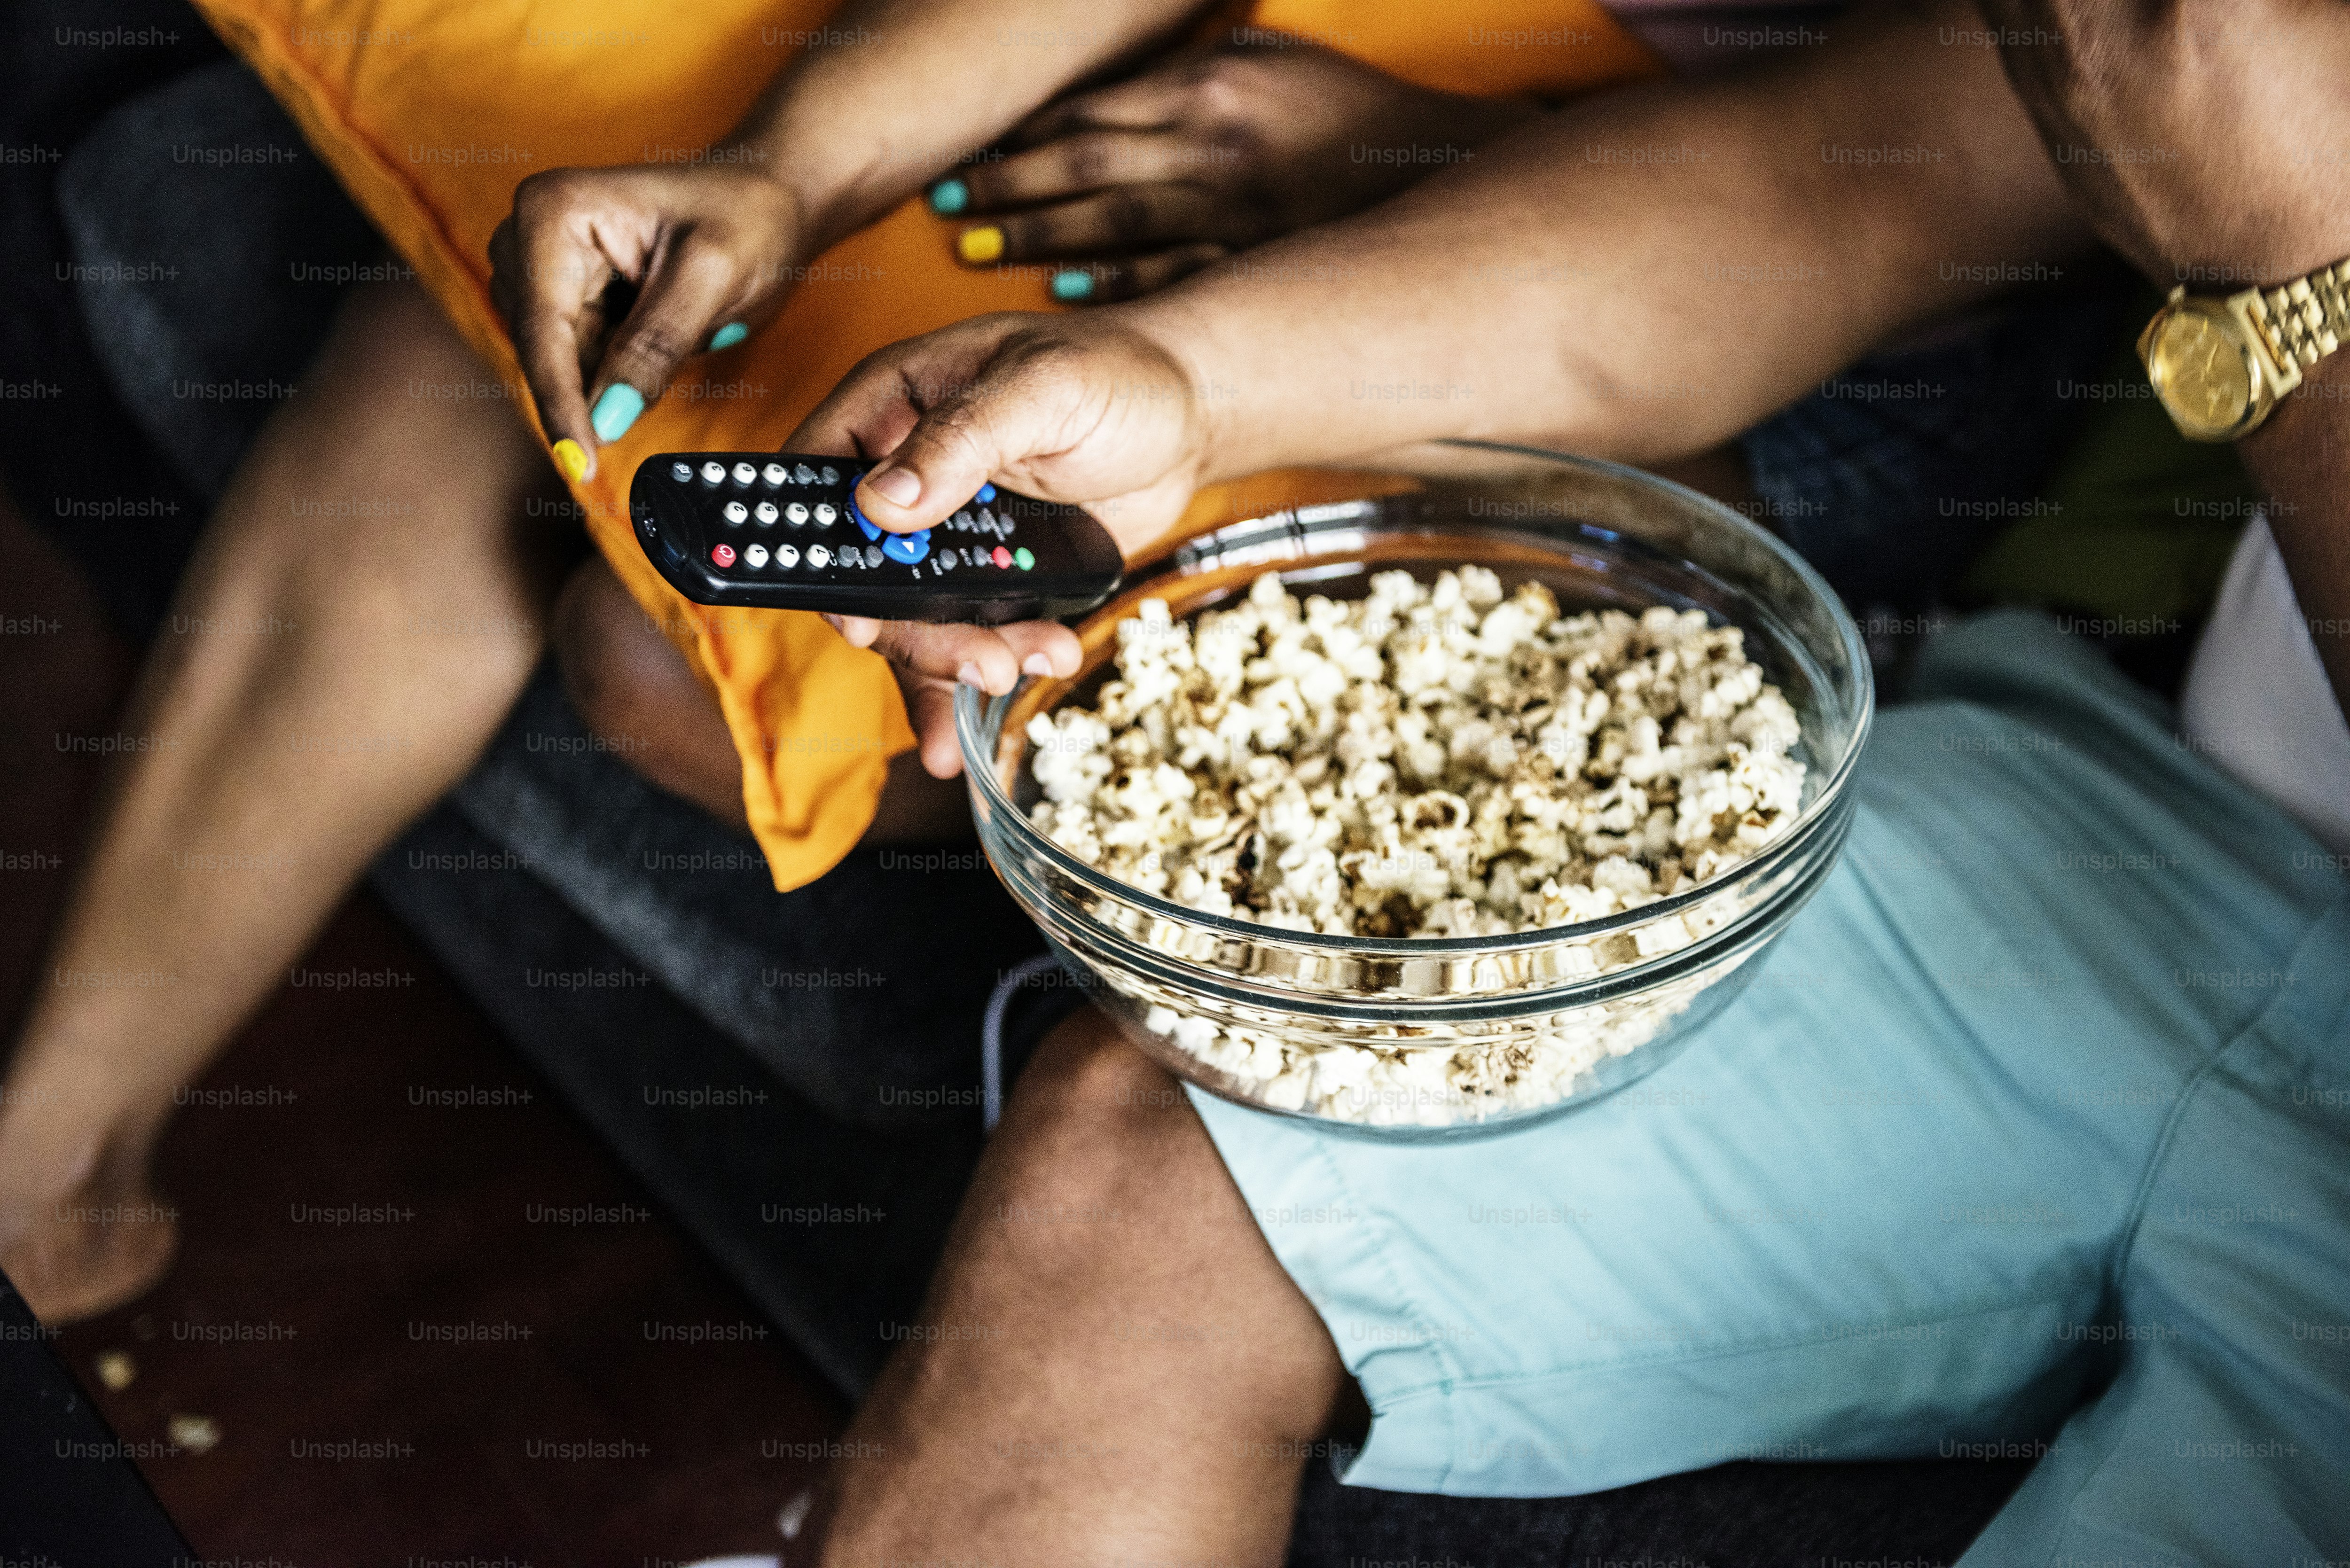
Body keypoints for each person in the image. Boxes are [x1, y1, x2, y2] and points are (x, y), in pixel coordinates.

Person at [741, 0, 2350, 1561]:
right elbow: (1842, 183)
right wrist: (1185, 392)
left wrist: (2292, 279)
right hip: (2162, 823)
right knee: (1152, 1158)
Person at [0, 0, 1655, 1321]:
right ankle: (46, 1159)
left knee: (662, 669)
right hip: (1181, 109)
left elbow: (1831, 209)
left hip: (1564, 251)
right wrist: (791, 167)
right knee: (527, 336)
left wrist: (1420, 145)